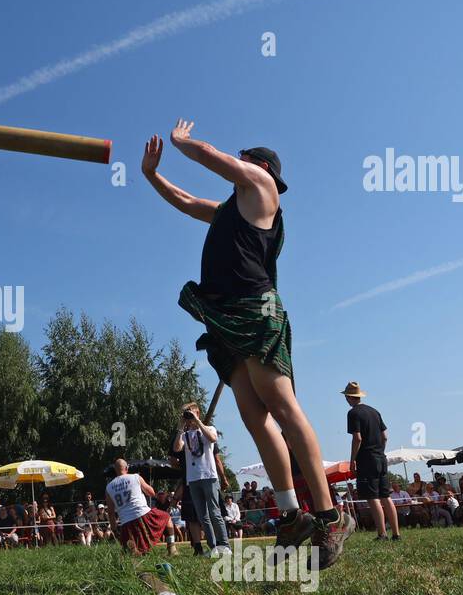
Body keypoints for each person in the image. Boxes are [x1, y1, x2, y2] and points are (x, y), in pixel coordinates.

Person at [143, 123, 353, 567]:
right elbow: (184, 201)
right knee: (255, 420)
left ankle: (330, 516)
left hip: (256, 310)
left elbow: (213, 156)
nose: (239, 167)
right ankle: (293, 517)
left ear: (261, 170)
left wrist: (183, 144)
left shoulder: (262, 187)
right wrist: (151, 176)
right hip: (225, 318)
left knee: (282, 406)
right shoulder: (228, 209)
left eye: (244, 162)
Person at [172, 402, 230, 555]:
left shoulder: (209, 429)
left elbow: (211, 438)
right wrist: (181, 425)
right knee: (202, 516)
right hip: (193, 479)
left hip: (209, 475)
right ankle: (213, 547)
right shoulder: (184, 435)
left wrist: (197, 422)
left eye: (191, 413)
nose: (189, 416)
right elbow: (177, 448)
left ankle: (224, 544)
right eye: (186, 414)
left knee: (214, 512)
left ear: (198, 413)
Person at [343, 382, 397, 541]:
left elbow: (357, 438)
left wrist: (352, 460)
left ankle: (382, 533)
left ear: (348, 397)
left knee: (372, 497)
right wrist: (380, 450)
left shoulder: (353, 414)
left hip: (367, 459)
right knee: (385, 496)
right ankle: (396, 533)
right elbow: (385, 435)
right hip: (381, 457)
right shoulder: (375, 411)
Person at [105, 458, 170, 556]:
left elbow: (110, 512)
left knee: (132, 552)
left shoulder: (109, 487)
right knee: (167, 517)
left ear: (115, 470)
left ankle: (137, 552)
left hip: (126, 523)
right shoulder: (135, 477)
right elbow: (151, 493)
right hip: (143, 515)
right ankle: (171, 547)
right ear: (127, 468)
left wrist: (114, 530)